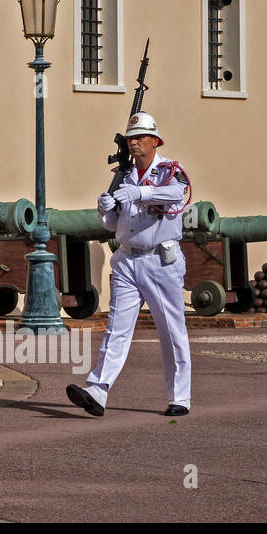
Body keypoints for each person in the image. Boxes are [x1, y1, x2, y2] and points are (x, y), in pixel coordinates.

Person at [66, 112, 193, 418]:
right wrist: (105, 209)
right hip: (126, 259)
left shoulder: (169, 171)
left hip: (159, 260)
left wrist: (142, 192)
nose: (133, 143)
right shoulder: (123, 175)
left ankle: (180, 397)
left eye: (139, 138)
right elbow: (114, 225)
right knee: (116, 330)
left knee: (170, 330)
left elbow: (178, 194)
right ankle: (98, 389)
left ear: (155, 141)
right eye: (130, 139)